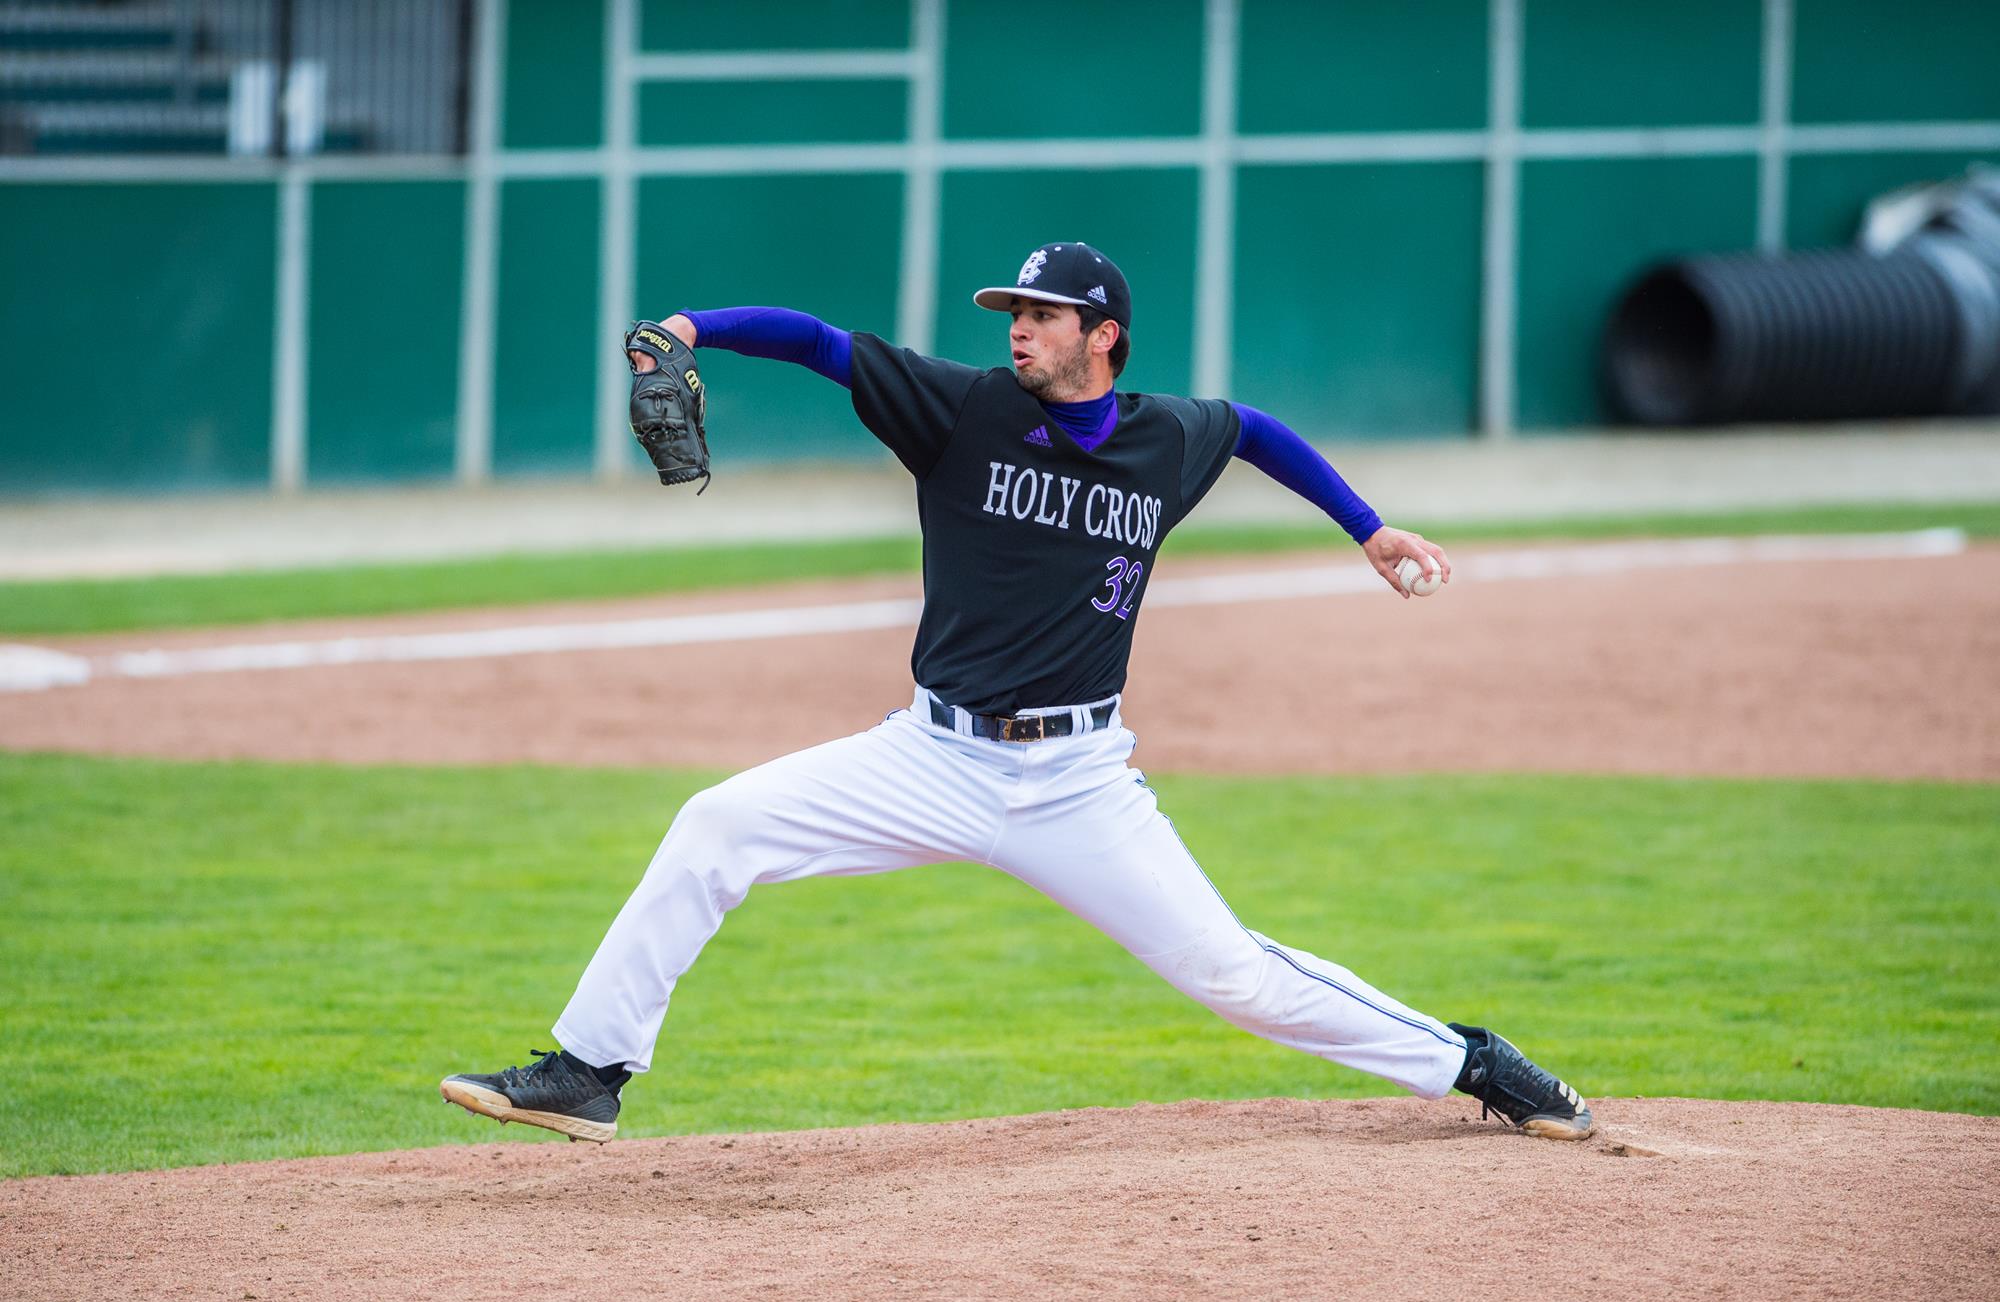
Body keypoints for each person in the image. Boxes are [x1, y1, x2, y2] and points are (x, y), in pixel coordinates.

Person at [440, 242, 1592, 1144]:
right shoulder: (964, 408)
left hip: (1078, 782)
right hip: (928, 758)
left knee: (1234, 975)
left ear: (1104, 336)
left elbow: (1253, 430)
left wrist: (1366, 525)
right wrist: (690, 328)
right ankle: (591, 1070)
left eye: (1040, 314)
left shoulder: (1163, 440)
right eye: (1014, 314)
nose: (1019, 329)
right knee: (715, 825)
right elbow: (821, 342)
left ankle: (1471, 1060)